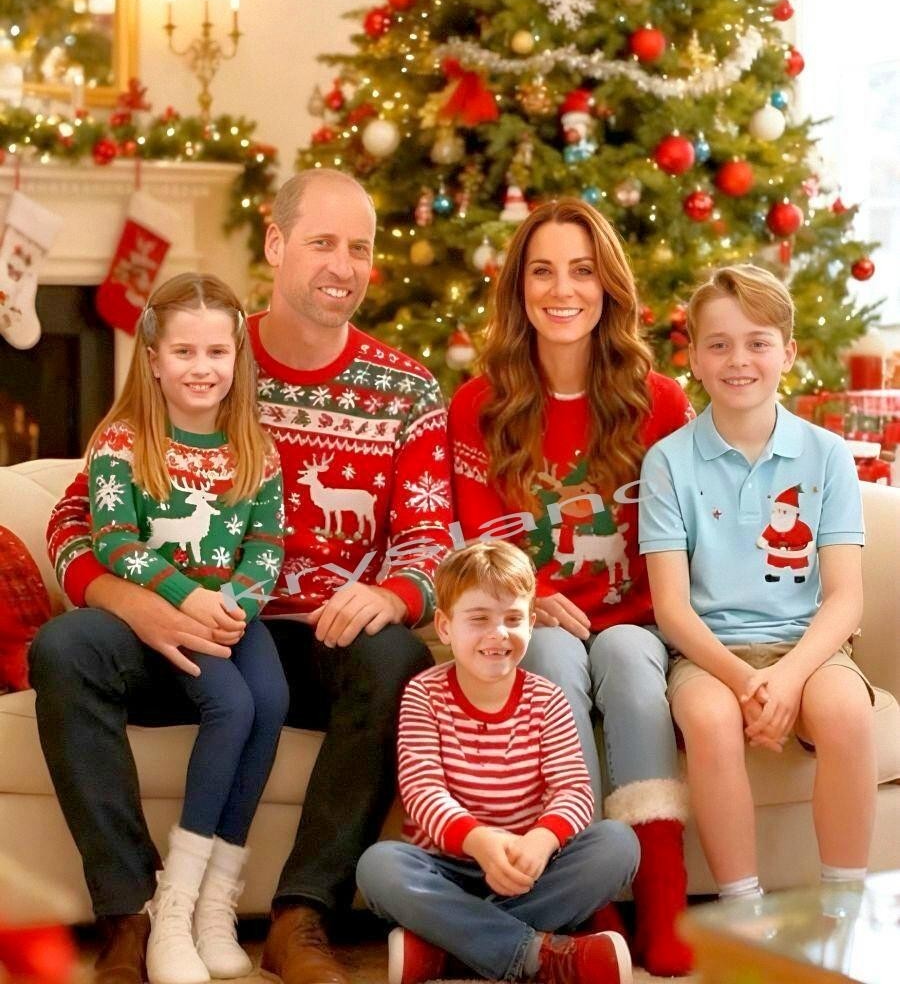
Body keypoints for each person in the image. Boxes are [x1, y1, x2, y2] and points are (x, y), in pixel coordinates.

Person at [30, 169, 453, 984]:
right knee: (66, 648)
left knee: (396, 660)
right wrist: (135, 602)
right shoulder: (207, 349)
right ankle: (129, 914)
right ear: (276, 244)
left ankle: (303, 916)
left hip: (311, 638)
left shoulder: (406, 392)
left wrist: (390, 593)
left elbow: (433, 543)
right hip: (173, 622)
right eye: (322, 242)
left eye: (359, 248)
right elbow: (75, 519)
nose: (342, 265)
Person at [448, 198, 695, 977]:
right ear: (519, 289)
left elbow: (677, 541)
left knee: (624, 657)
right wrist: (531, 596)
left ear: (608, 287)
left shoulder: (659, 402)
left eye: (583, 271)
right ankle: (590, 899)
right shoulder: (478, 408)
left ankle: (663, 896)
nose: (564, 290)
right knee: (549, 654)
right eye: (543, 271)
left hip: (637, 622)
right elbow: (485, 547)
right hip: (537, 620)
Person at [639, 264, 876, 905]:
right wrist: (746, 683)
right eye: (718, 344)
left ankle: (844, 905)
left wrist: (790, 676)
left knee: (850, 714)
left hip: (808, 649)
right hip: (709, 656)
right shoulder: (667, 462)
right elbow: (672, 608)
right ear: (693, 358)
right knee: (712, 723)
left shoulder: (828, 456)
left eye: (758, 342)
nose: (738, 360)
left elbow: (845, 597)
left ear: (788, 353)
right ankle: (743, 909)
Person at [85, 272, 288, 984]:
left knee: (272, 701)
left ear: (238, 358)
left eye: (217, 353)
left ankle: (214, 904)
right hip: (167, 614)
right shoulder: (123, 443)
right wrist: (183, 598)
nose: (202, 369)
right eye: (185, 353)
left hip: (231, 610)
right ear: (153, 358)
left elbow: (266, 550)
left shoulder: (255, 449)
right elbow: (113, 540)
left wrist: (232, 601)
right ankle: (172, 906)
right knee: (231, 705)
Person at [356, 541, 639, 984]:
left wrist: (541, 841)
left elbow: (574, 791)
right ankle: (532, 954)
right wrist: (480, 842)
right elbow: (422, 791)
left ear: (530, 623)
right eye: (480, 619)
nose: (498, 633)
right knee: (379, 866)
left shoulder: (547, 699)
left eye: (513, 619)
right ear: (446, 627)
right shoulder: (423, 694)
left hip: (530, 868)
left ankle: (450, 946)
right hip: (448, 869)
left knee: (618, 844)